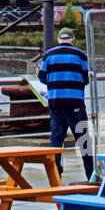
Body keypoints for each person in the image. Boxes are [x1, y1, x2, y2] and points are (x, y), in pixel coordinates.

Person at [38, 26, 93, 181]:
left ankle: (55, 176)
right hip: (75, 104)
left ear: (58, 39)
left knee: (56, 140)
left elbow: (42, 78)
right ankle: (91, 174)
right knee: (83, 141)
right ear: (72, 39)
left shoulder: (48, 56)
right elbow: (85, 78)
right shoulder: (80, 55)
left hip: (55, 103)